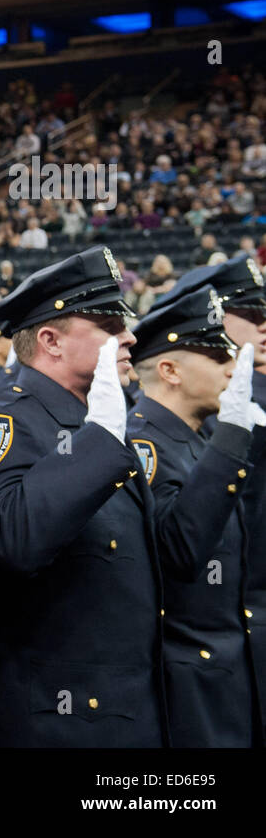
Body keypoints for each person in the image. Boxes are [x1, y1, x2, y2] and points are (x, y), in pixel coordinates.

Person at [0, 246, 165, 747]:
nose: (129, 336)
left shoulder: (97, 417)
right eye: (109, 325)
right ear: (50, 340)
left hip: (129, 705)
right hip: (62, 717)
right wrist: (100, 436)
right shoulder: (1, 420)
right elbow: (14, 538)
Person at [126, 285, 265, 746]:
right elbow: (180, 550)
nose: (233, 368)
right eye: (217, 356)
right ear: (170, 370)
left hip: (225, 667)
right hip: (184, 676)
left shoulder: (197, 439)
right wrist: (230, 436)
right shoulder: (141, 445)